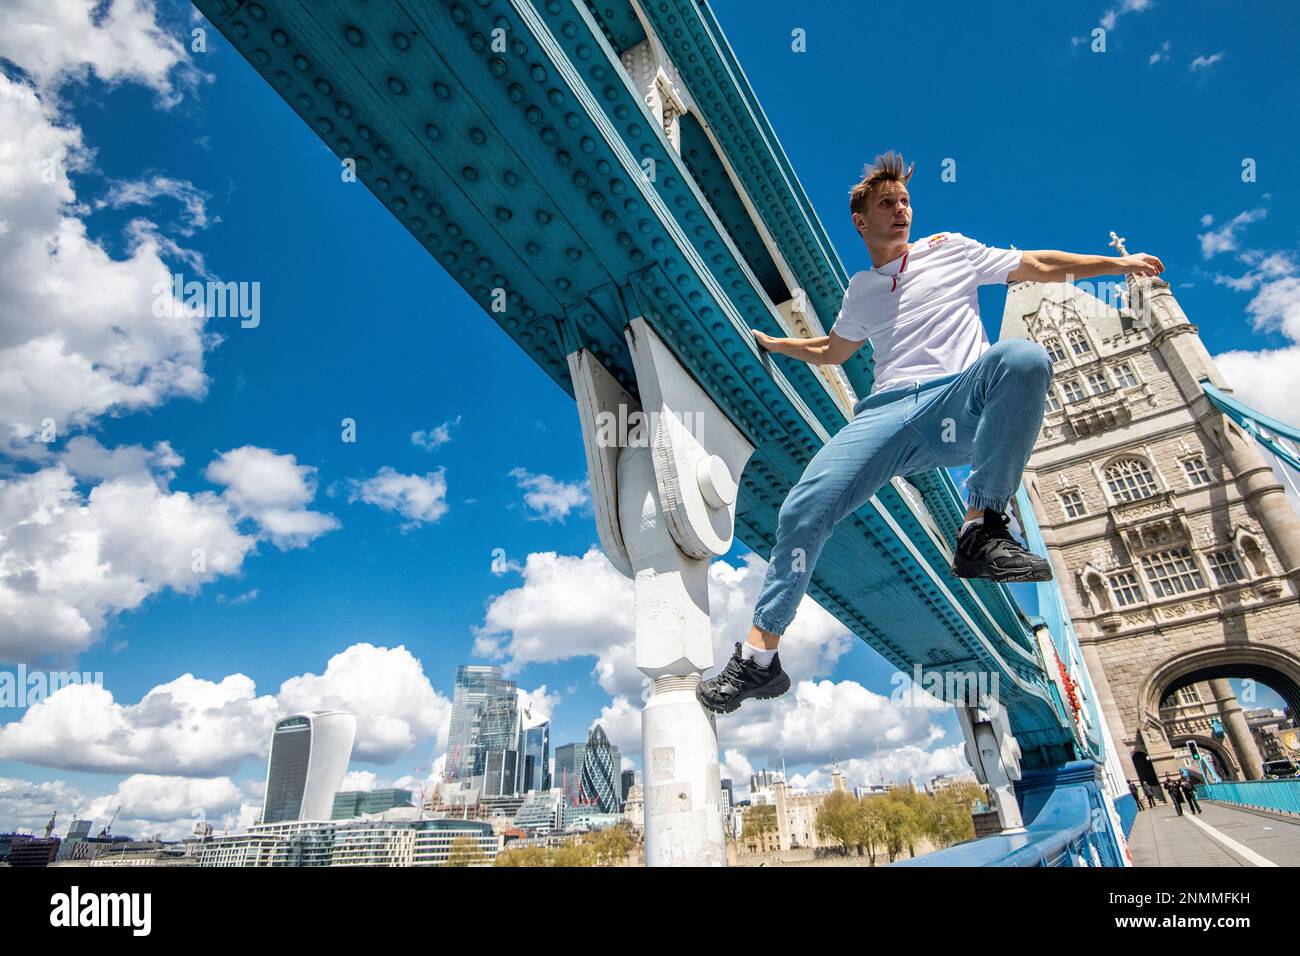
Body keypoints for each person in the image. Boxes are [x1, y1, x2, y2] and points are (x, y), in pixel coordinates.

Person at [697, 151, 1164, 714]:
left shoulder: (952, 249)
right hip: (885, 414)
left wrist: (1117, 266)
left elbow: (1036, 264)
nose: (901, 211)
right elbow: (833, 350)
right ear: (861, 221)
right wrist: (776, 345)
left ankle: (983, 524)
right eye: (886, 204)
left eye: (905, 202)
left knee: (1021, 357)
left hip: (960, 399)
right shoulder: (861, 290)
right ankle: (760, 660)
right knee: (802, 508)